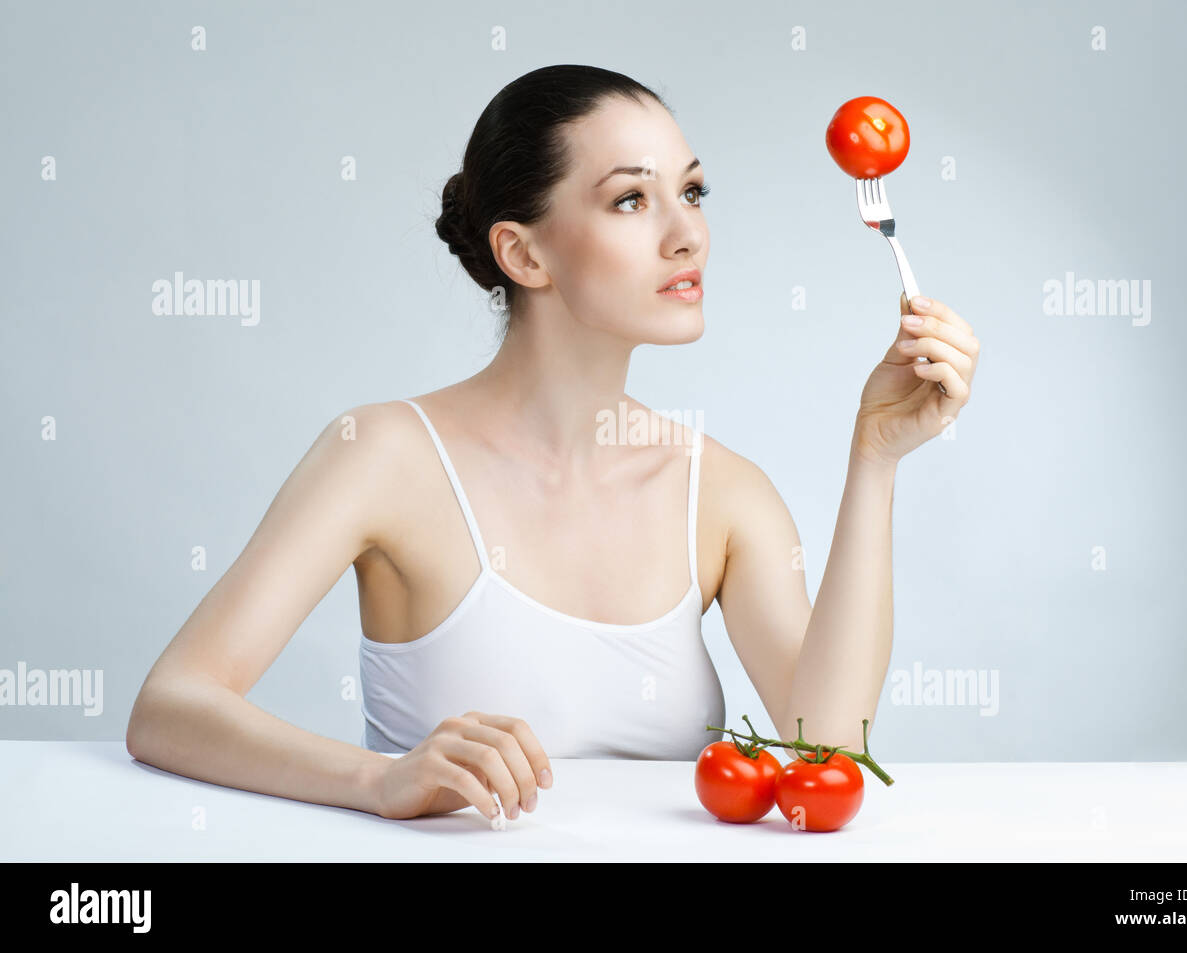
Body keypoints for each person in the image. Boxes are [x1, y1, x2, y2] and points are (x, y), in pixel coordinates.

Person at [126, 64, 980, 825]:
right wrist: (378, 779)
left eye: (692, 192)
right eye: (631, 200)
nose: (686, 233)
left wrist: (876, 458)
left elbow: (827, 747)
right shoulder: (383, 455)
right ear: (523, 253)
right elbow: (170, 705)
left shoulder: (722, 493)